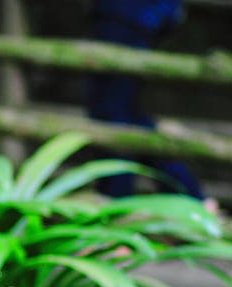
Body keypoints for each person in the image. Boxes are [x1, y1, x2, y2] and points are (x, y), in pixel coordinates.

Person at [87, 0, 217, 211]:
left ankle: (116, 209)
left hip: (131, 13)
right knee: (120, 112)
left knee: (113, 115)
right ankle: (189, 197)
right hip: (135, 13)